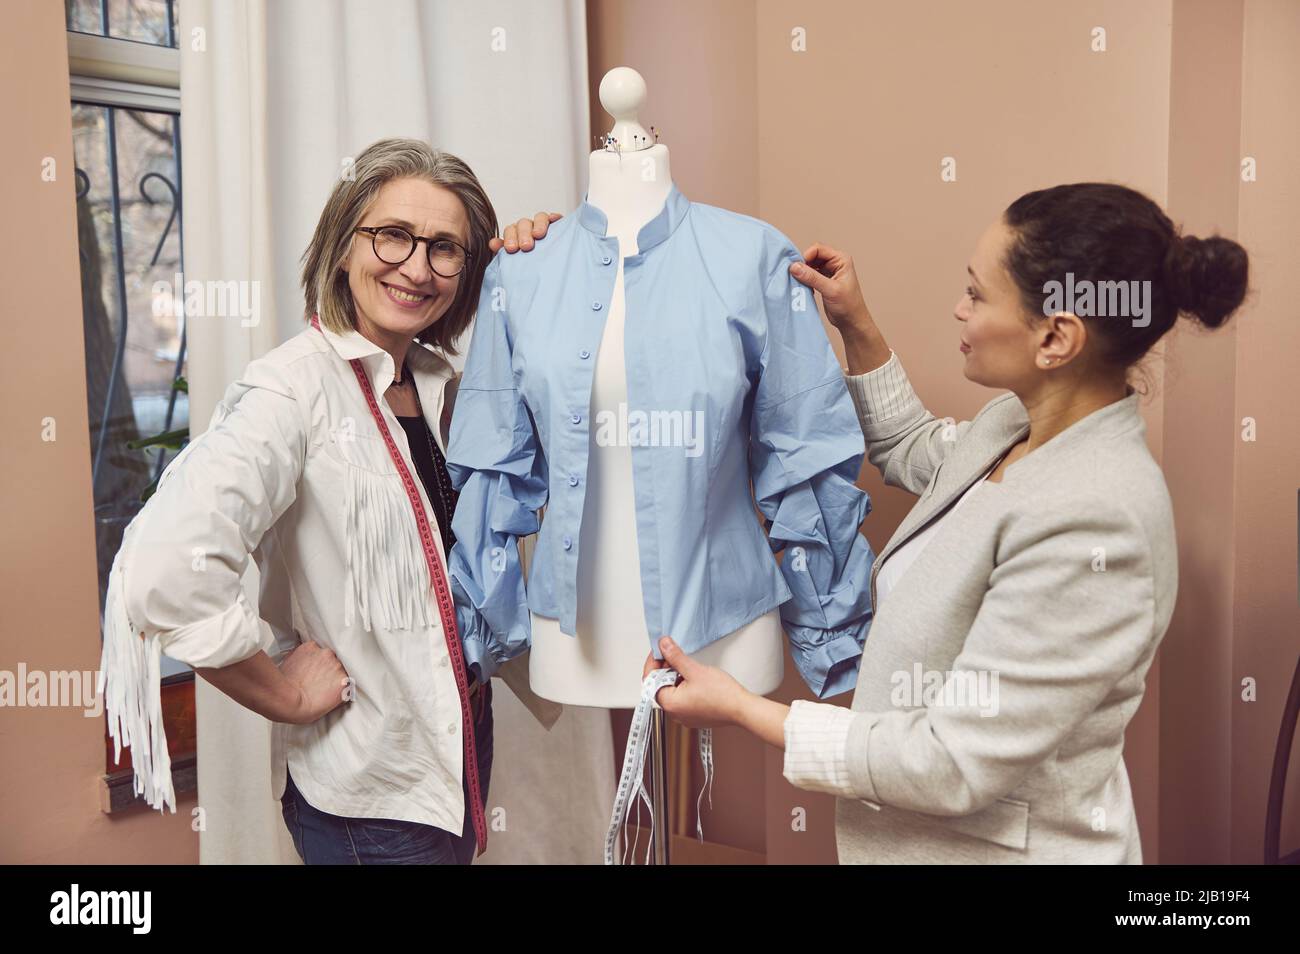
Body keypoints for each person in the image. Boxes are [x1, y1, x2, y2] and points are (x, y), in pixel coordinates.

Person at [505, 182, 1249, 863]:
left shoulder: (1097, 519)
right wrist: (855, 324)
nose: (959, 310)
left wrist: (748, 711)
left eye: (975, 295)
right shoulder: (1015, 429)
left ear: (1056, 338)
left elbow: (952, 763)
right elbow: (912, 448)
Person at [100, 136, 552, 865]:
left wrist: (536, 273)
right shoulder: (293, 390)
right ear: (344, 247)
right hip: (370, 799)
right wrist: (283, 694)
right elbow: (163, 569)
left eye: (445, 249)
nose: (417, 267)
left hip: (461, 752)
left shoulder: (444, 386)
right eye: (393, 236)